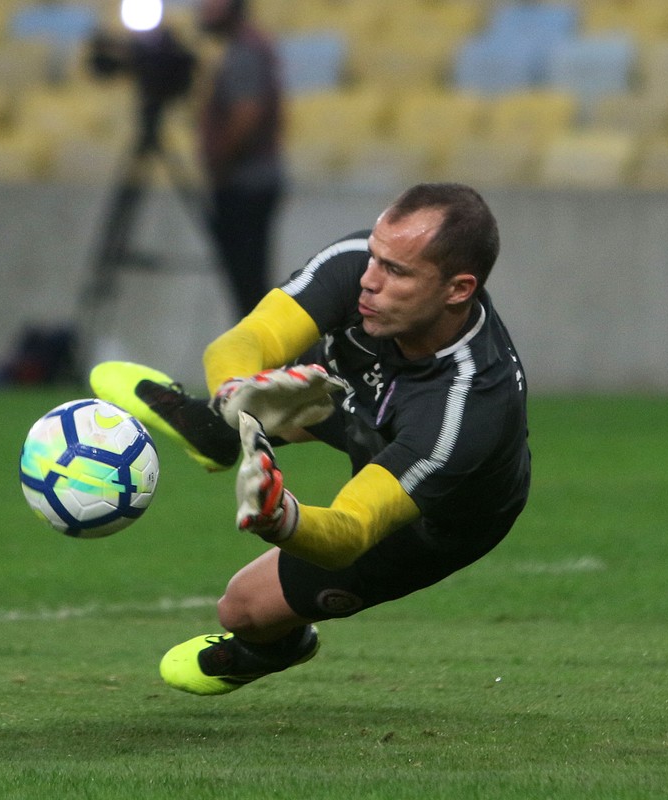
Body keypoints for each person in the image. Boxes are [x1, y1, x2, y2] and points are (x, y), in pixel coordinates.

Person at [90, 183, 531, 695]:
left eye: (396, 271)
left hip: (438, 517)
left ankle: (275, 646)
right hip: (360, 401)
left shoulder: (467, 409)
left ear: (458, 289)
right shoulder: (359, 268)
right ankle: (220, 429)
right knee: (286, 377)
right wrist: (236, 390)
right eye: (375, 256)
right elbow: (244, 341)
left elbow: (350, 530)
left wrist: (283, 520)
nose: (368, 280)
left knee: (243, 608)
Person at [196, 0, 285, 320]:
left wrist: (219, 159)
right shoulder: (244, 49)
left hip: (245, 183)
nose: (201, 7)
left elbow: (247, 114)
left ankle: (257, 359)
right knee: (247, 279)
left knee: (247, 280)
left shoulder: (245, 52)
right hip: (250, 181)